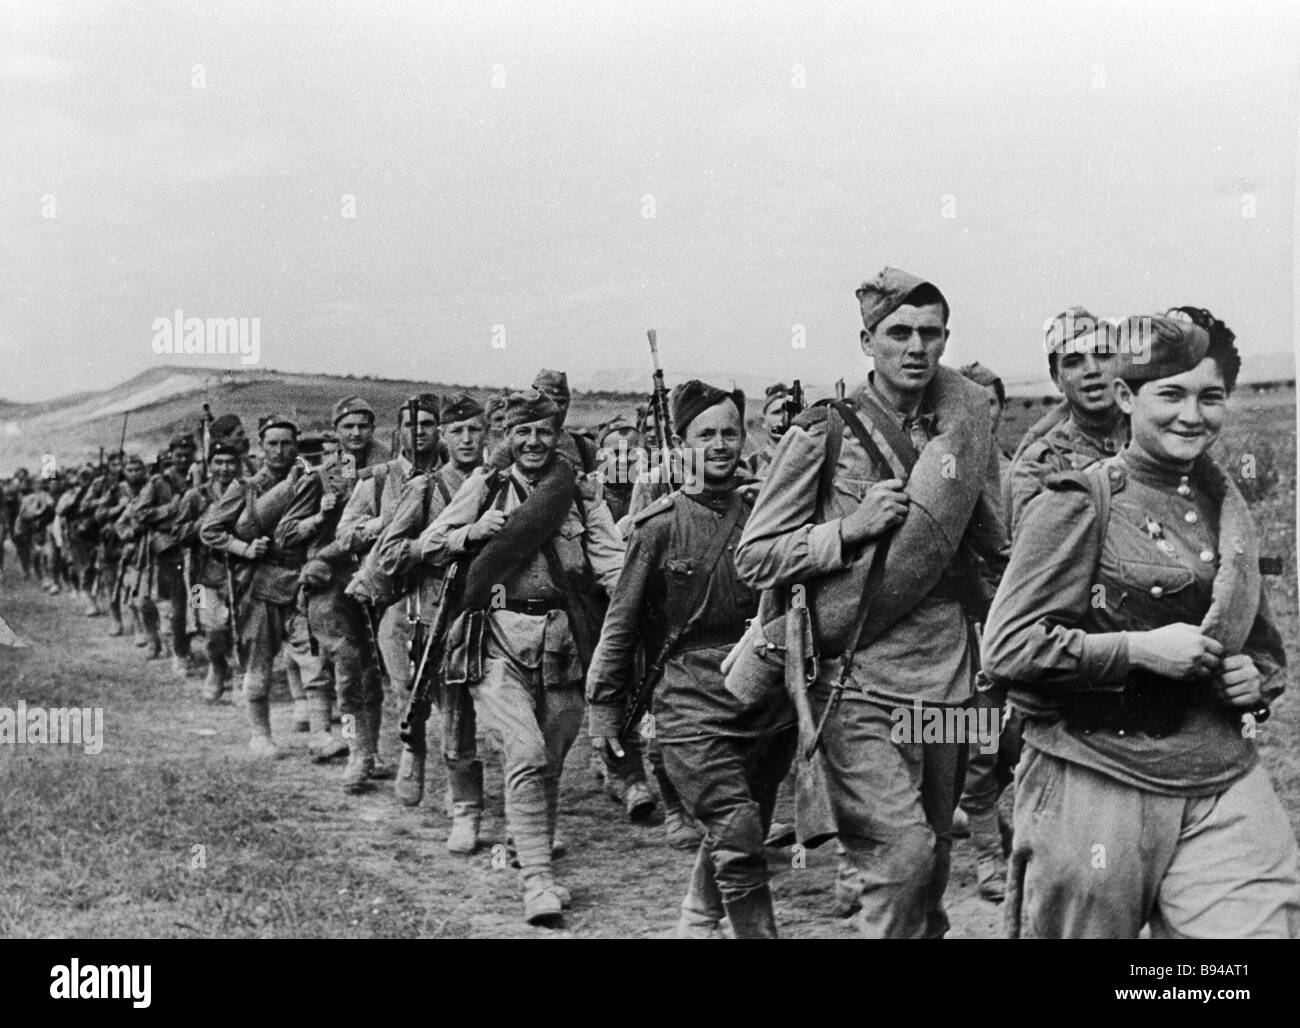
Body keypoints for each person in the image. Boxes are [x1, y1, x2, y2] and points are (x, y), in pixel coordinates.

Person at [984, 310, 1299, 938]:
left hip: (1218, 772)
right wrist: (1137, 650)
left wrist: (1255, 680)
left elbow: (1259, 641)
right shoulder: (1079, 499)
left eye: (1210, 397)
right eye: (1171, 394)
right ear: (1128, 397)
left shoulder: (1221, 501)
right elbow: (1008, 647)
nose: (1192, 414)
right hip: (1095, 774)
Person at [734, 266, 1007, 938]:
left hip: (946, 681)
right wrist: (846, 532)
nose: (916, 347)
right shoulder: (825, 431)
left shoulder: (967, 434)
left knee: (936, 856)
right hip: (855, 682)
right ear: (867, 342)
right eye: (899, 333)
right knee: (901, 855)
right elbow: (756, 554)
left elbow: (992, 544)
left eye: (931, 334)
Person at [589, 380, 795, 937]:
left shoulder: (766, 512)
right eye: (706, 434)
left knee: (742, 822)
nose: (721, 444)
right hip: (689, 706)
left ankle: (698, 918)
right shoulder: (657, 528)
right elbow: (621, 625)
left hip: (765, 698)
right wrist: (604, 708)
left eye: (731, 431)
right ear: (680, 446)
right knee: (738, 829)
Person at [419, 389, 624, 926]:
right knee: (526, 752)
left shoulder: (579, 495)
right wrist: (472, 532)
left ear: (558, 437)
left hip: (564, 640)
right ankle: (537, 881)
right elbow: (432, 544)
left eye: (544, 432)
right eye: (522, 432)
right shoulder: (485, 486)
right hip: (496, 637)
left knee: (550, 763)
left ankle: (531, 853)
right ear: (507, 437)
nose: (533, 442)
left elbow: (611, 565)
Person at [363, 394, 490, 853]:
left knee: (468, 716)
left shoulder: (499, 483)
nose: (467, 439)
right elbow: (391, 555)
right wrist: (436, 548)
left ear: (487, 432)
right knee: (430, 704)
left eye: (475, 430)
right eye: (457, 431)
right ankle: (450, 794)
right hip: (429, 613)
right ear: (443, 436)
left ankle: (472, 805)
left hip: (485, 612)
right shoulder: (425, 488)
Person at [276, 397, 390, 785]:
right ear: (337, 432)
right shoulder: (322, 477)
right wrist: (319, 517)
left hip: (373, 577)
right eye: (348, 427)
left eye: (363, 426)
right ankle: (355, 752)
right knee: (346, 666)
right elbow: (285, 533)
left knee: (373, 669)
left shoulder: (387, 472)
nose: (356, 433)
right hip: (329, 584)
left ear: (373, 429)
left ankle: (371, 750)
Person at [201, 415, 327, 759]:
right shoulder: (244, 488)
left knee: (313, 661)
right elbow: (210, 530)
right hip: (260, 587)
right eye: (272, 443)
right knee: (258, 665)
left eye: (287, 443)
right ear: (261, 445)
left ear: (296, 446)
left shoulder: (309, 481)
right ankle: (260, 735)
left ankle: (321, 735)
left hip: (301, 582)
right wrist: (244, 548)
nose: (280, 450)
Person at [954, 359, 1020, 901]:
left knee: (1016, 740)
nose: (983, 410)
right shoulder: (949, 472)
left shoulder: (1020, 470)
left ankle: (991, 822)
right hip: (972, 624)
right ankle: (987, 857)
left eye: (991, 401)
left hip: (1022, 621)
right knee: (978, 741)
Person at [1005, 307, 1129, 537]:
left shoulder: (1156, 434)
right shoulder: (1040, 464)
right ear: (1056, 379)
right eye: (1073, 361)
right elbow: (1035, 554)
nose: (1091, 369)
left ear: (1123, 363)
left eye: (1103, 355)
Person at [174, 438, 244, 702]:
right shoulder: (196, 496)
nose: (225, 468)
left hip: (239, 571)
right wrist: (204, 521)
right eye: (219, 462)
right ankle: (216, 667)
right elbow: (178, 533)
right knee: (211, 628)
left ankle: (239, 675)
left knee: (239, 629)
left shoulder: (247, 492)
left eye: (230, 462)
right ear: (210, 465)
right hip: (202, 575)